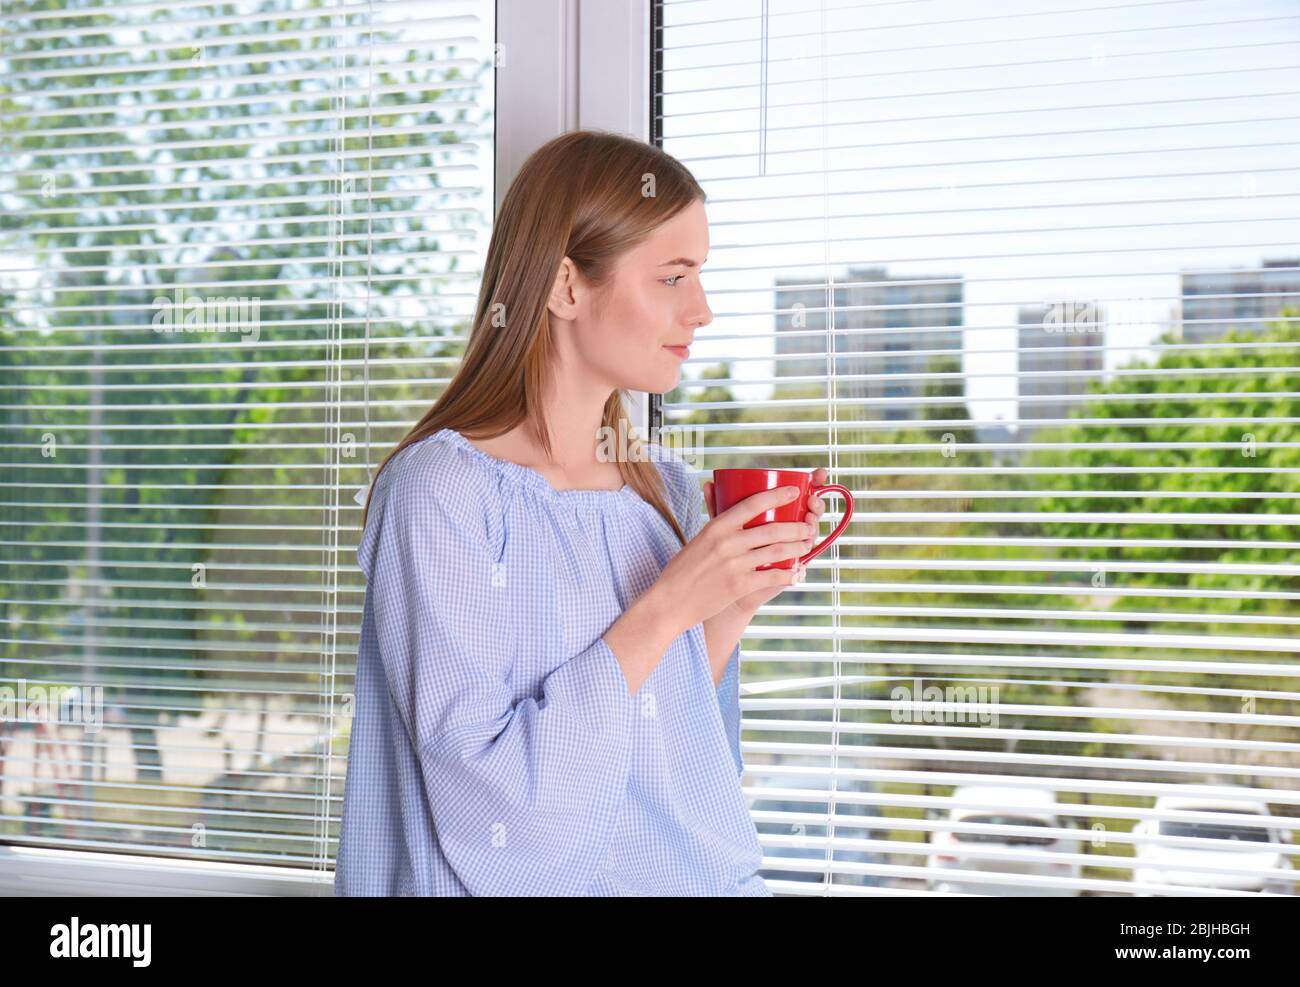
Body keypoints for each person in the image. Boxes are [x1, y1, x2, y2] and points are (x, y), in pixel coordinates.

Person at [333, 130, 830, 896]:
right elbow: (492, 814)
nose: (702, 309)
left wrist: (727, 607)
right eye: (672, 277)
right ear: (566, 287)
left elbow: (675, 758)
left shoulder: (660, 489)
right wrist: (668, 605)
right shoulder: (440, 491)